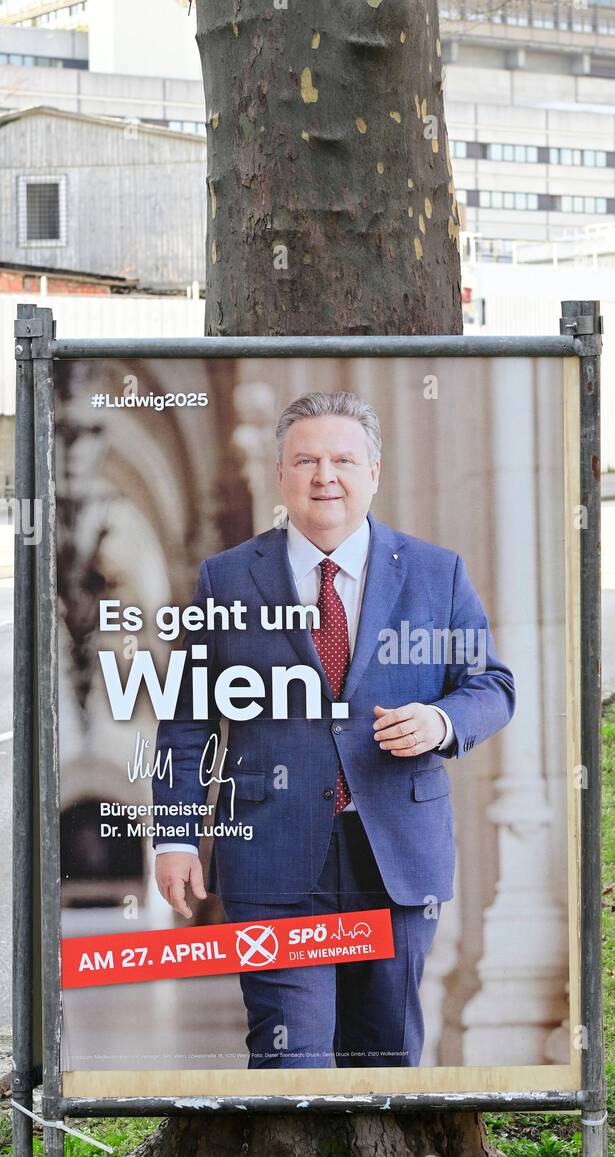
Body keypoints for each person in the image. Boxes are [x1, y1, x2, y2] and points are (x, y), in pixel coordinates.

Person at [151, 391, 515, 1069]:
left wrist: (440, 721)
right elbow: (188, 718)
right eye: (307, 460)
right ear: (282, 473)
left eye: (343, 459)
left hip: (395, 856)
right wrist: (175, 835)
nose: (326, 476)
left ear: (374, 471)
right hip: (270, 855)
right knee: (293, 1057)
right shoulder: (227, 580)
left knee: (384, 1057)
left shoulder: (437, 574)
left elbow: (492, 686)